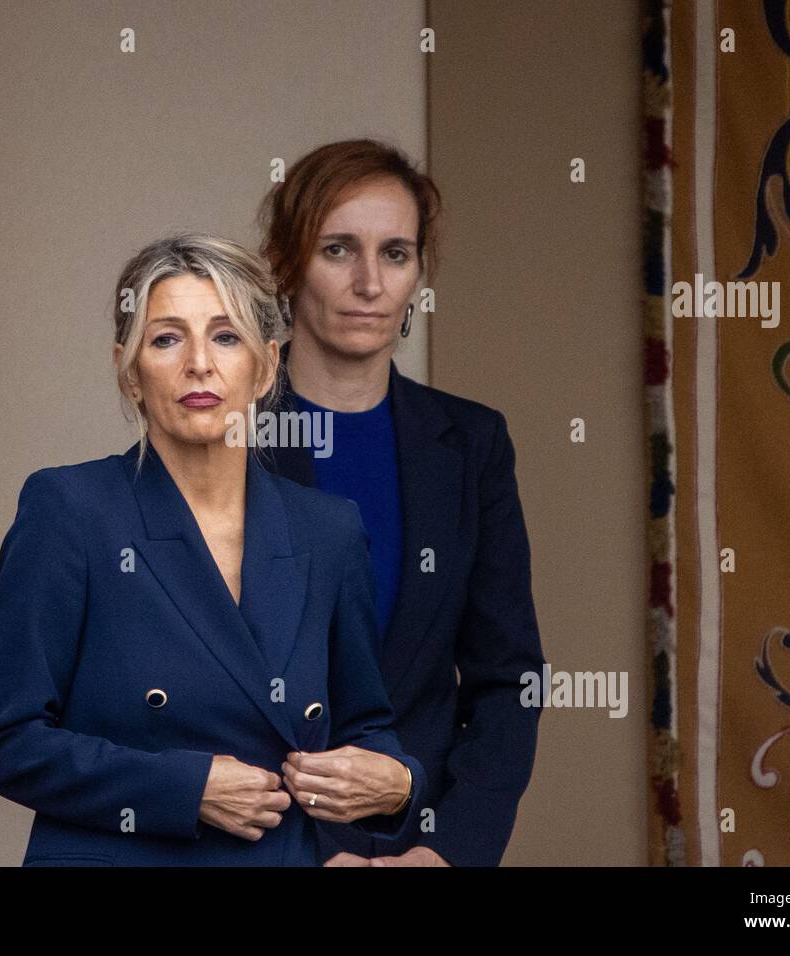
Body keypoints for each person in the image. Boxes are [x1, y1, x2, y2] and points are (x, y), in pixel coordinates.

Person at [0, 233, 425, 865]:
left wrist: (401, 783)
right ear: (129, 372)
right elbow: (8, 741)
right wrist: (185, 789)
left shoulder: (329, 531)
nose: (198, 364)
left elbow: (364, 726)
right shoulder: (70, 510)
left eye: (225, 335)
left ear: (267, 366)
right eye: (166, 338)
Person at [258, 139, 545, 867]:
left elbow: (508, 679)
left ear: (418, 272)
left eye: (394, 253)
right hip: (263, 847)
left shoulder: (473, 442)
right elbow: (183, 688)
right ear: (287, 265)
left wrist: (449, 851)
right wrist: (316, 851)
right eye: (337, 249)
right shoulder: (225, 437)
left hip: (421, 848)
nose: (368, 282)